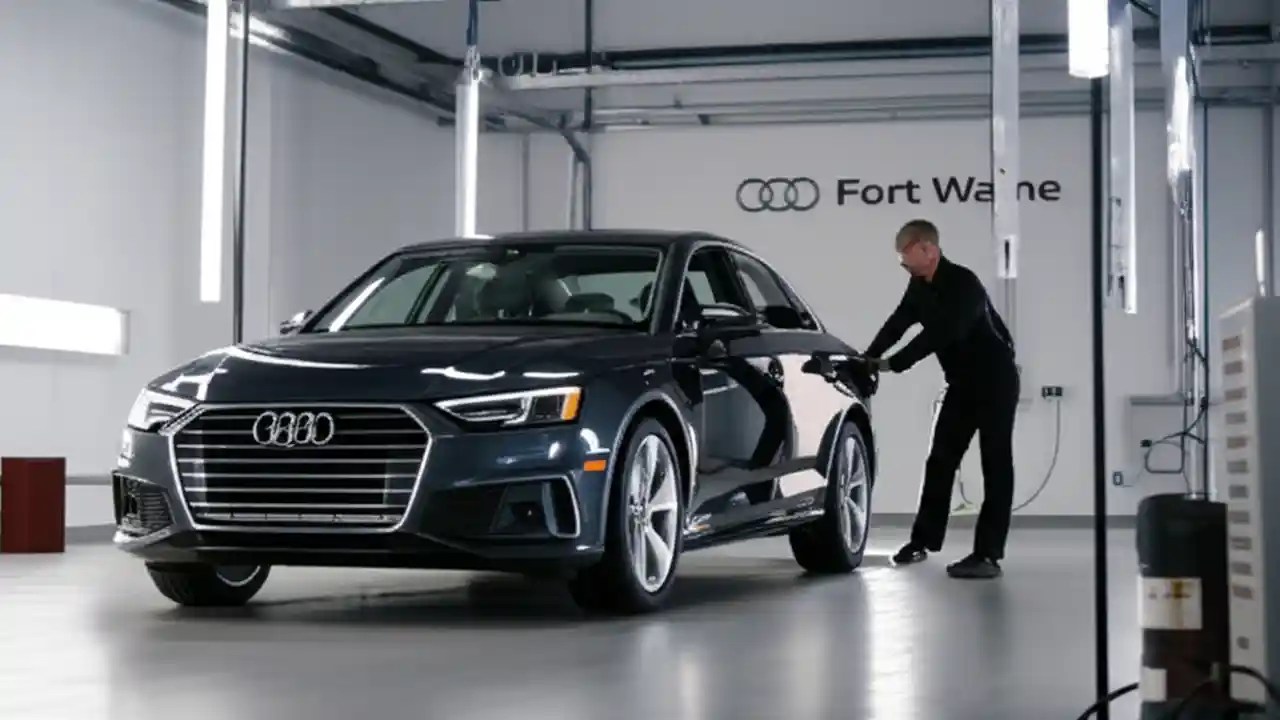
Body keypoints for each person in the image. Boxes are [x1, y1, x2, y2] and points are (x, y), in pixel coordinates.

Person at [862, 219, 1019, 580]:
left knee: (995, 463)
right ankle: (922, 541)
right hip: (962, 385)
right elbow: (899, 322)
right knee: (940, 461)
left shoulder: (964, 284)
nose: (903, 264)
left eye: (906, 256)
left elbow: (939, 335)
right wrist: (868, 357)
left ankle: (988, 555)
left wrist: (892, 364)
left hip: (995, 382)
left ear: (928, 249)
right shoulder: (919, 285)